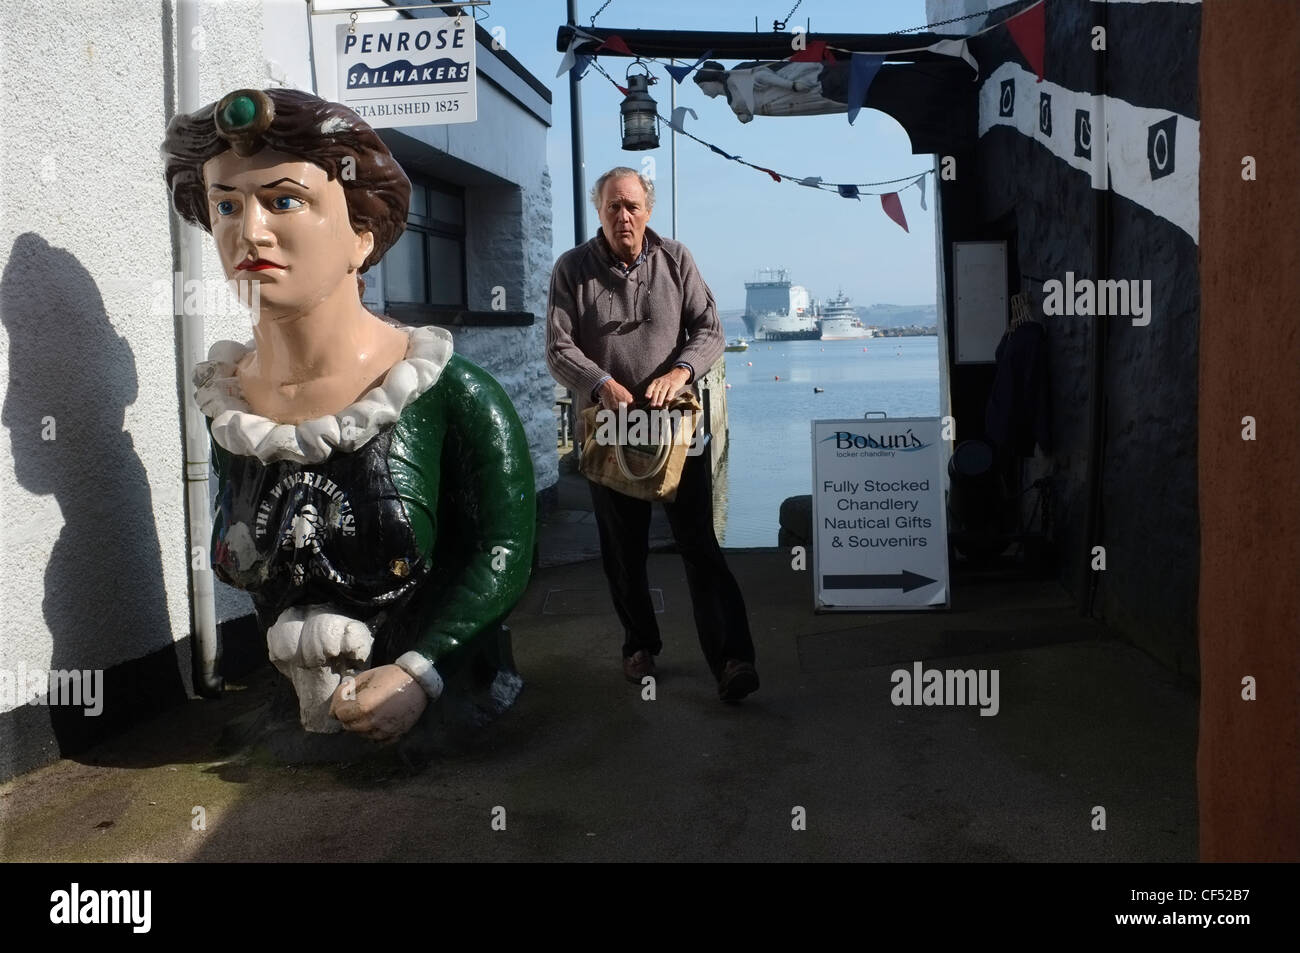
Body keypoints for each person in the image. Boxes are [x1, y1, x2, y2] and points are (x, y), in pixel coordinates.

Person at [161, 88, 535, 742]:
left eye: (284, 200)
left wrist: (422, 671)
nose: (248, 233)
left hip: (441, 707)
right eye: (226, 205)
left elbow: (504, 548)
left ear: (361, 234)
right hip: (294, 719)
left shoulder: (449, 392)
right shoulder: (230, 408)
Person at [545, 167, 758, 702]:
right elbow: (557, 346)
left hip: (679, 431)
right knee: (623, 550)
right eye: (614, 205)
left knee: (699, 545)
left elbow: (710, 329)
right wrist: (599, 382)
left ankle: (732, 659)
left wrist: (680, 371)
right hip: (613, 429)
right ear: (599, 210)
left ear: (648, 210)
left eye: (633, 206)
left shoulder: (676, 260)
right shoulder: (571, 270)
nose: (624, 215)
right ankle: (639, 644)